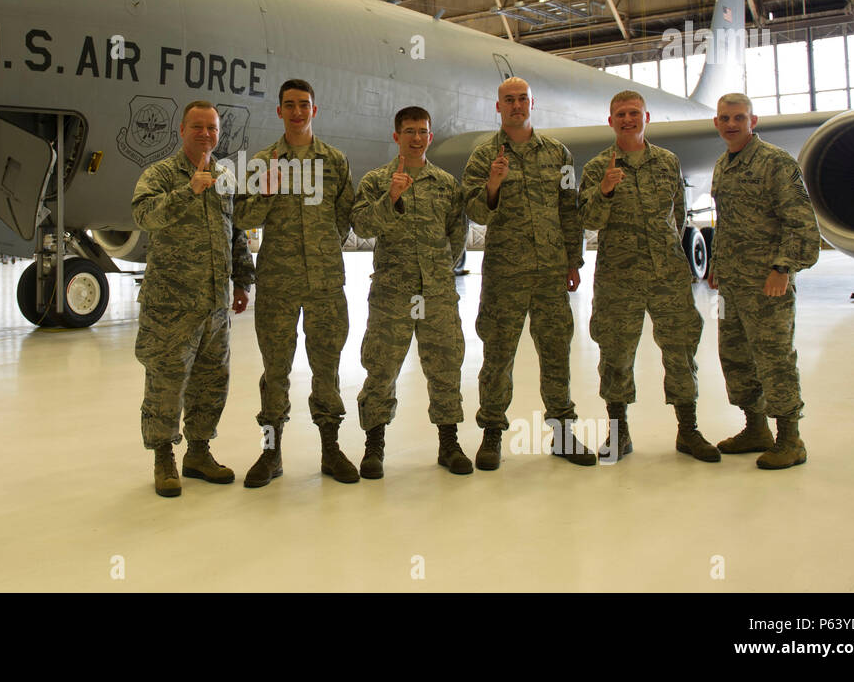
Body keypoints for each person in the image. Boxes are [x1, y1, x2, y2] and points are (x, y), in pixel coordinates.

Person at [579, 90, 718, 463]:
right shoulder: (596, 167)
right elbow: (588, 220)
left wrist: (668, 254)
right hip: (618, 277)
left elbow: (677, 215)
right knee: (615, 354)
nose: (628, 119)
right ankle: (619, 432)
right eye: (620, 114)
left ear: (646, 117)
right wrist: (605, 190)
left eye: (634, 113)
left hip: (667, 275)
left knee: (681, 350)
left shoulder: (668, 162)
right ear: (611, 122)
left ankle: (687, 430)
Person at [463, 76, 595, 468]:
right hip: (505, 274)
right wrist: (493, 184)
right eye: (509, 100)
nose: (516, 105)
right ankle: (491, 433)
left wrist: (574, 260)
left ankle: (564, 433)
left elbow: (569, 210)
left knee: (556, 352)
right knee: (498, 355)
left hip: (552, 274)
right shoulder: (483, 156)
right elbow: (475, 212)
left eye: (523, 99)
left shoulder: (559, 154)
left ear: (531, 104)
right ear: (498, 107)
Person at [235, 79, 357, 487]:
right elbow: (243, 217)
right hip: (278, 284)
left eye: (304, 104)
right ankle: (271, 452)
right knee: (275, 370)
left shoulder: (335, 161)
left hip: (325, 284)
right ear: (279, 111)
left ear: (314, 110)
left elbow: (345, 217)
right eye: (289, 105)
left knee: (328, 367)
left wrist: (323, 250)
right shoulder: (263, 161)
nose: (297, 112)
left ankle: (331, 449)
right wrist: (266, 192)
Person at [132, 100, 254, 497]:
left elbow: (234, 232)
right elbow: (145, 216)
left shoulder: (224, 177)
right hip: (171, 305)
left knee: (211, 381)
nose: (205, 135)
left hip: (215, 303)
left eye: (212, 128)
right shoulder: (161, 174)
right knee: (166, 381)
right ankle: (164, 457)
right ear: (181, 130)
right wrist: (189, 191)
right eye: (197, 127)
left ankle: (199, 451)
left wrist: (242, 281)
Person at [351, 107, 472, 478]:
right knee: (381, 367)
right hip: (392, 294)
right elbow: (361, 225)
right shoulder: (376, 181)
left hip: (436, 293)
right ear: (396, 136)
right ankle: (374, 445)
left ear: (430, 137)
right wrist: (391, 198)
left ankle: (448, 443)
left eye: (422, 131)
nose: (416, 138)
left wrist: (438, 271)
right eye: (409, 131)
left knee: (445, 366)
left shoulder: (447, 184)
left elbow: (457, 233)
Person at [708, 92, 820, 469]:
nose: (731, 124)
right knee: (736, 357)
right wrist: (717, 267)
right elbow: (727, 221)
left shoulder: (775, 163)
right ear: (717, 123)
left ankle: (791, 438)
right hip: (732, 284)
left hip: (766, 282)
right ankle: (755, 428)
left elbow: (802, 224)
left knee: (774, 358)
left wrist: (782, 269)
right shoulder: (724, 164)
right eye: (725, 118)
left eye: (739, 118)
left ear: (752, 122)